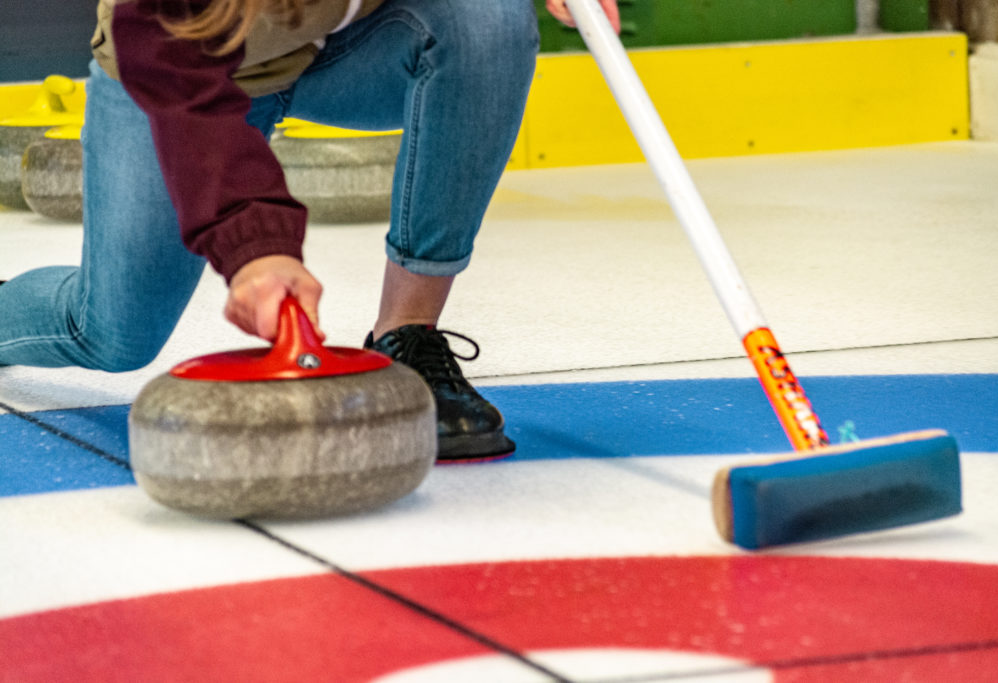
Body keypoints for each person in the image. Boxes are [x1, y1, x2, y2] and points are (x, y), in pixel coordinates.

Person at [0, 0, 619, 462]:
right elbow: (186, 94)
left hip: (343, 50)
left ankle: (408, 338)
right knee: (113, 335)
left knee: (488, 18)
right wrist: (256, 248)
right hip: (184, 71)